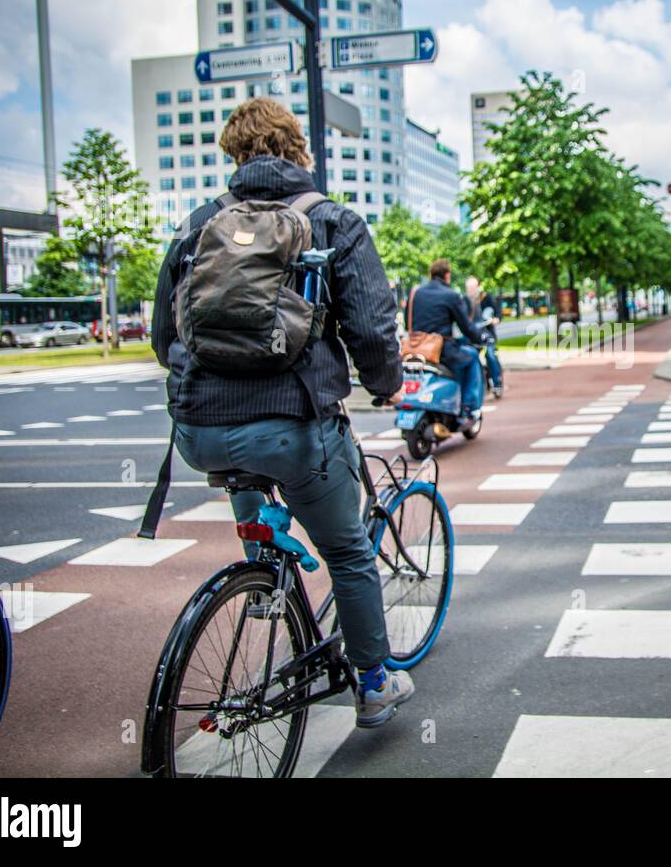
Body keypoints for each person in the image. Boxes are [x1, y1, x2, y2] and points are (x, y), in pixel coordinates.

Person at [150, 97, 414, 730]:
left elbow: (165, 335)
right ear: (299, 149)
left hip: (201, 432)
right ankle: (374, 685)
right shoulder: (331, 221)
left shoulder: (198, 223)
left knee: (262, 525)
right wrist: (387, 386)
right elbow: (374, 333)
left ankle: (266, 584)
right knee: (348, 552)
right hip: (293, 431)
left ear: (234, 155)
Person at [409, 258, 486, 423]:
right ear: (447, 276)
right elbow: (466, 326)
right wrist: (481, 337)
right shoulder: (451, 295)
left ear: (431, 274)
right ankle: (468, 407)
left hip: (415, 348)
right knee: (471, 356)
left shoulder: (415, 293)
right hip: (441, 350)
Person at [465, 275, 504, 398]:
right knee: (469, 356)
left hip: (487, 334)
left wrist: (496, 319)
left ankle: (497, 383)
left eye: (473, 287)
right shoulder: (464, 301)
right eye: (469, 288)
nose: (471, 290)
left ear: (477, 287)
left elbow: (497, 312)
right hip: (473, 336)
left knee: (491, 355)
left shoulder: (486, 298)